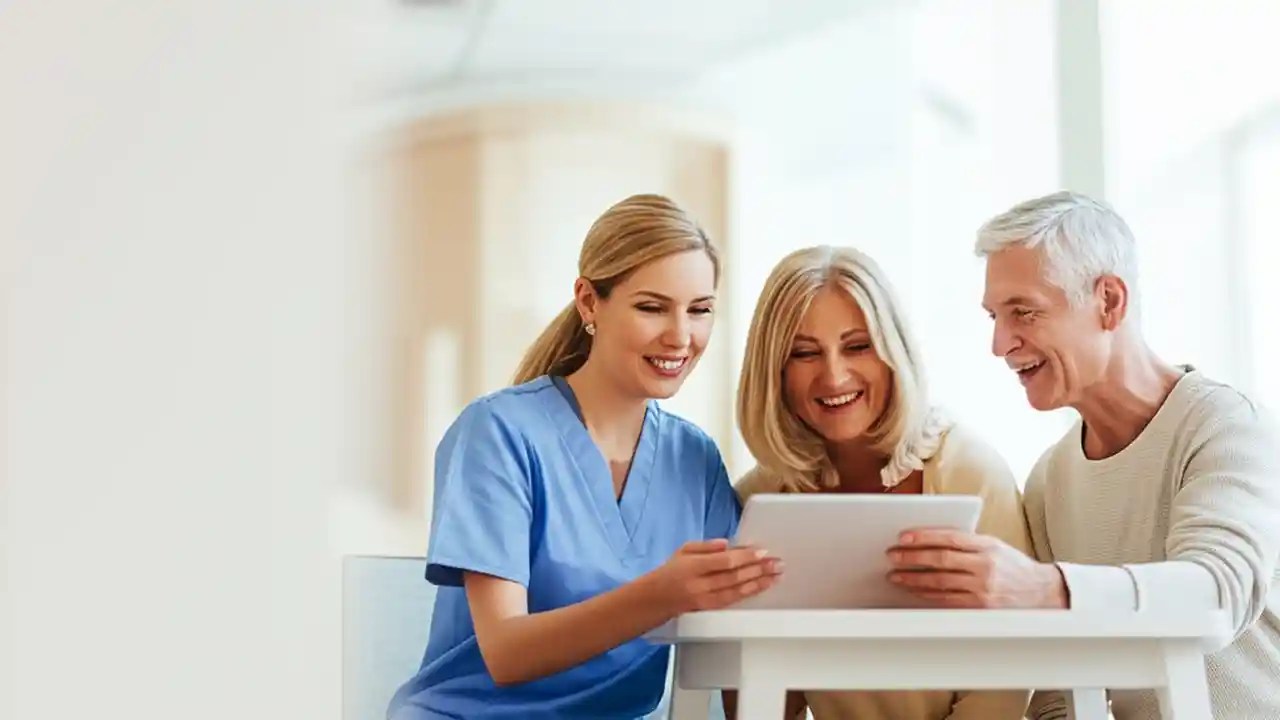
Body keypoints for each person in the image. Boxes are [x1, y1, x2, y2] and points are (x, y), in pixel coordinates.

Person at [386, 194, 782, 720]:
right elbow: (505, 652)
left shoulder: (695, 459)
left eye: (700, 310)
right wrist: (661, 594)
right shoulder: (498, 434)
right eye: (652, 307)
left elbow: (736, 638)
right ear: (589, 301)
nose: (681, 336)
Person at [887, 190, 1280, 719]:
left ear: (1109, 302)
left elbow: (1214, 595)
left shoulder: (1225, 427)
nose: (1001, 344)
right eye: (994, 318)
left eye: (1023, 312)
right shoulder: (1050, 481)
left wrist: (1040, 587)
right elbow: (1056, 696)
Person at [729, 245, 1033, 720]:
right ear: (775, 372)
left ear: (894, 351)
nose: (833, 376)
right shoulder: (762, 500)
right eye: (804, 353)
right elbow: (760, 698)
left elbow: (1007, 679)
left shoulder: (966, 472)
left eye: (857, 346)